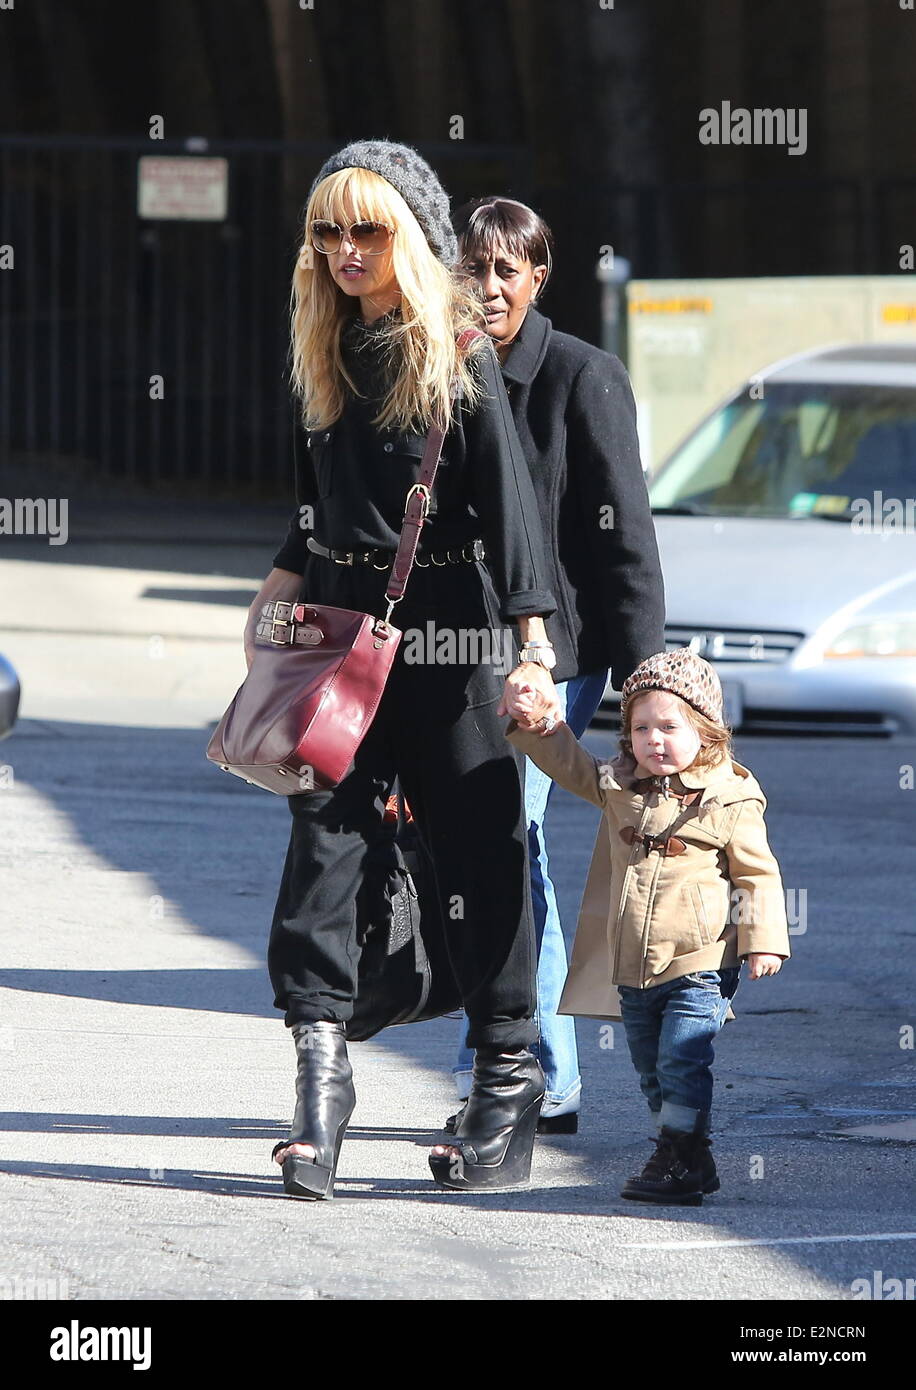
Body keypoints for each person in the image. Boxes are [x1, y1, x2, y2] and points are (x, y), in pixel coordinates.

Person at [243, 141, 561, 1198]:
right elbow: (312, 500)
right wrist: (280, 587)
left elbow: (513, 508)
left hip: (451, 634)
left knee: (479, 846)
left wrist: (531, 644)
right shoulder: (322, 344)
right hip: (341, 632)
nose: (342, 249)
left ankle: (506, 1075)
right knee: (321, 835)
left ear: (412, 239)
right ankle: (319, 1082)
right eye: (327, 230)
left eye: (365, 229)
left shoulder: (457, 349)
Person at [446, 197, 665, 1132]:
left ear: (539, 277)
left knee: (510, 837)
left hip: (553, 655)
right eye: (475, 268)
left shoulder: (584, 376)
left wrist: (652, 681)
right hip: (448, 655)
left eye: (508, 270)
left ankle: (540, 1065)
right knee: (465, 842)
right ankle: (500, 1047)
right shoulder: (437, 372)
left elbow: (629, 544)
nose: (489, 288)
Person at [503, 647, 791, 1204]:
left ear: (706, 732)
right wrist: (539, 721)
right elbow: (568, 764)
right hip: (634, 963)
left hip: (700, 962)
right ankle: (690, 1155)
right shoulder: (620, 786)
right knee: (652, 1070)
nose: (654, 740)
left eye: (669, 726)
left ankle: (677, 1155)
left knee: (683, 1059)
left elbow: (759, 875)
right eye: (640, 726)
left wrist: (763, 942)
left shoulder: (730, 796)